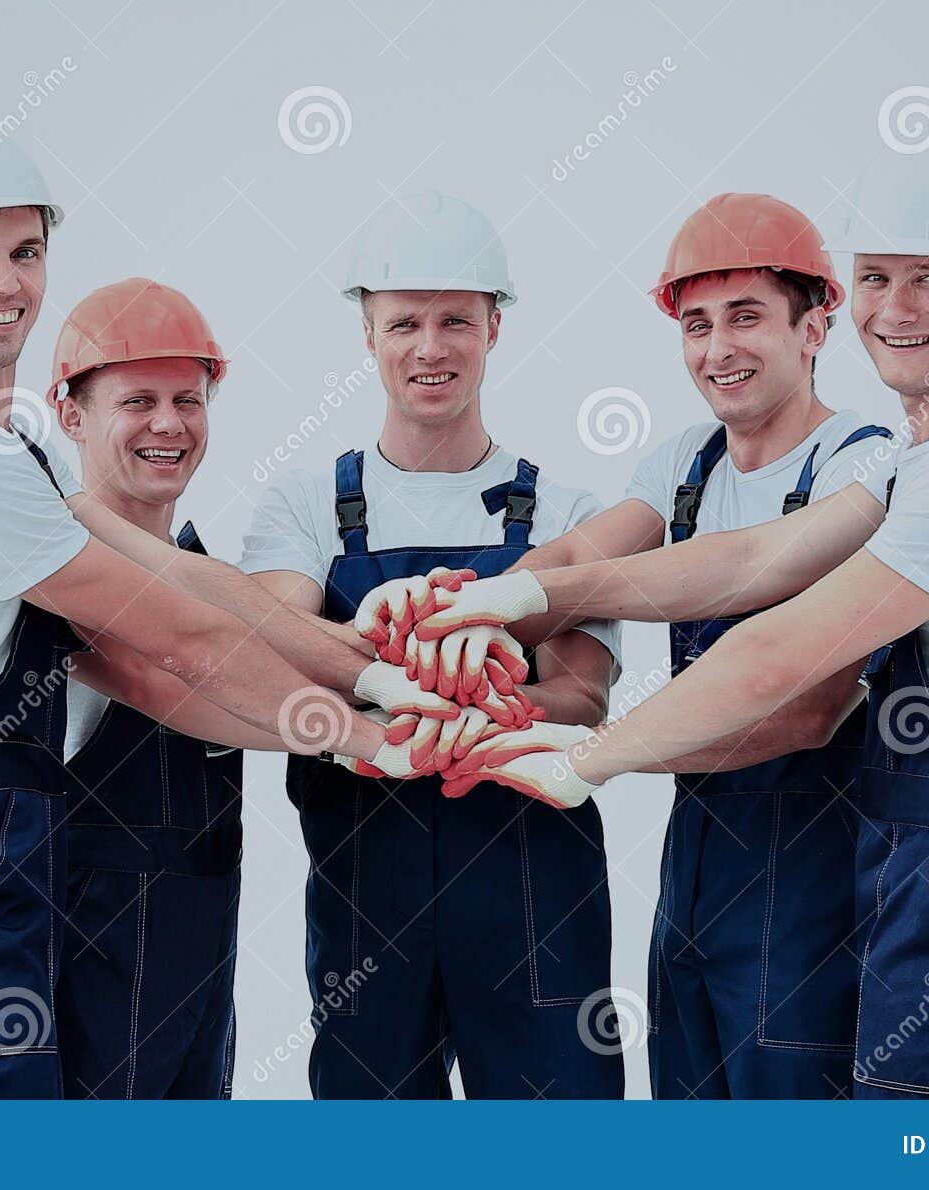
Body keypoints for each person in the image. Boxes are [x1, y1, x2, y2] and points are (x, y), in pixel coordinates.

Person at [398, 127, 929, 1100]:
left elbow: (788, 659)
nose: (895, 309)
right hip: (882, 867)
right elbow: (754, 560)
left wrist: (587, 756)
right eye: (876, 276)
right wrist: (520, 593)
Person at [0, 120, 454, 1099]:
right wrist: (376, 717)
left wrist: (355, 664)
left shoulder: (0, 454)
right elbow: (177, 643)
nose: (6, 280)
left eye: (26, 251)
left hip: (27, 882)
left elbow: (193, 595)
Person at [432, 194, 893, 1099]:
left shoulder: (861, 466)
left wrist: (593, 755)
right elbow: (573, 560)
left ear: (817, 324)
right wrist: (461, 616)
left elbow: (807, 707)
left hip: (812, 874)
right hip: (696, 866)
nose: (718, 349)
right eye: (697, 324)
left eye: (747, 317)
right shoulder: (688, 465)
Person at [240, 192, 624, 1099]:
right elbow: (278, 653)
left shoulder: (569, 516)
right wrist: (422, 661)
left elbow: (585, 698)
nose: (431, 347)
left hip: (536, 893)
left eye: (456, 319)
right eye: (404, 322)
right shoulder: (303, 508)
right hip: (368, 894)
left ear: (495, 325)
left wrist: (454, 706)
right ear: (366, 334)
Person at [43, 277, 246, 1099]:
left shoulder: (213, 576)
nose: (170, 424)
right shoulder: (51, 578)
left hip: (202, 971)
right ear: (71, 415)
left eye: (188, 400)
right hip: (88, 973)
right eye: (138, 400)